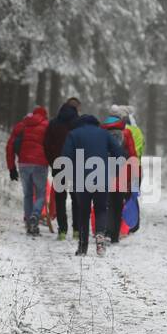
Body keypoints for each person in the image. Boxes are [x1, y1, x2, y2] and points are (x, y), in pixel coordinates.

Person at [60, 112, 124, 257]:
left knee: (83, 211)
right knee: (101, 209)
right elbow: (119, 153)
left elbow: (65, 157)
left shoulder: (73, 134)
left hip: (81, 178)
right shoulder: (104, 133)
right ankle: (100, 237)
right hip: (102, 177)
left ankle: (82, 247)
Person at [6, 105, 49, 236]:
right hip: (40, 164)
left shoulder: (21, 125)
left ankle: (30, 224)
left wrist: (11, 167)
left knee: (28, 195)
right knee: (41, 194)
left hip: (24, 163)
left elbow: (10, 146)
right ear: (44, 115)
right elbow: (52, 144)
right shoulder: (47, 126)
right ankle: (35, 216)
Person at [42, 99, 80, 241]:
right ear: (76, 109)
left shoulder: (54, 123)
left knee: (60, 198)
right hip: (76, 164)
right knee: (76, 198)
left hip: (58, 163)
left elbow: (46, 144)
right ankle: (77, 230)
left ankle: (62, 231)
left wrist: (52, 161)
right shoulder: (78, 124)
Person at [100, 105, 140, 243]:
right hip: (122, 174)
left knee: (104, 204)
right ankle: (114, 235)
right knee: (117, 205)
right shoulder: (127, 134)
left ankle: (103, 231)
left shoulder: (101, 132)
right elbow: (133, 155)